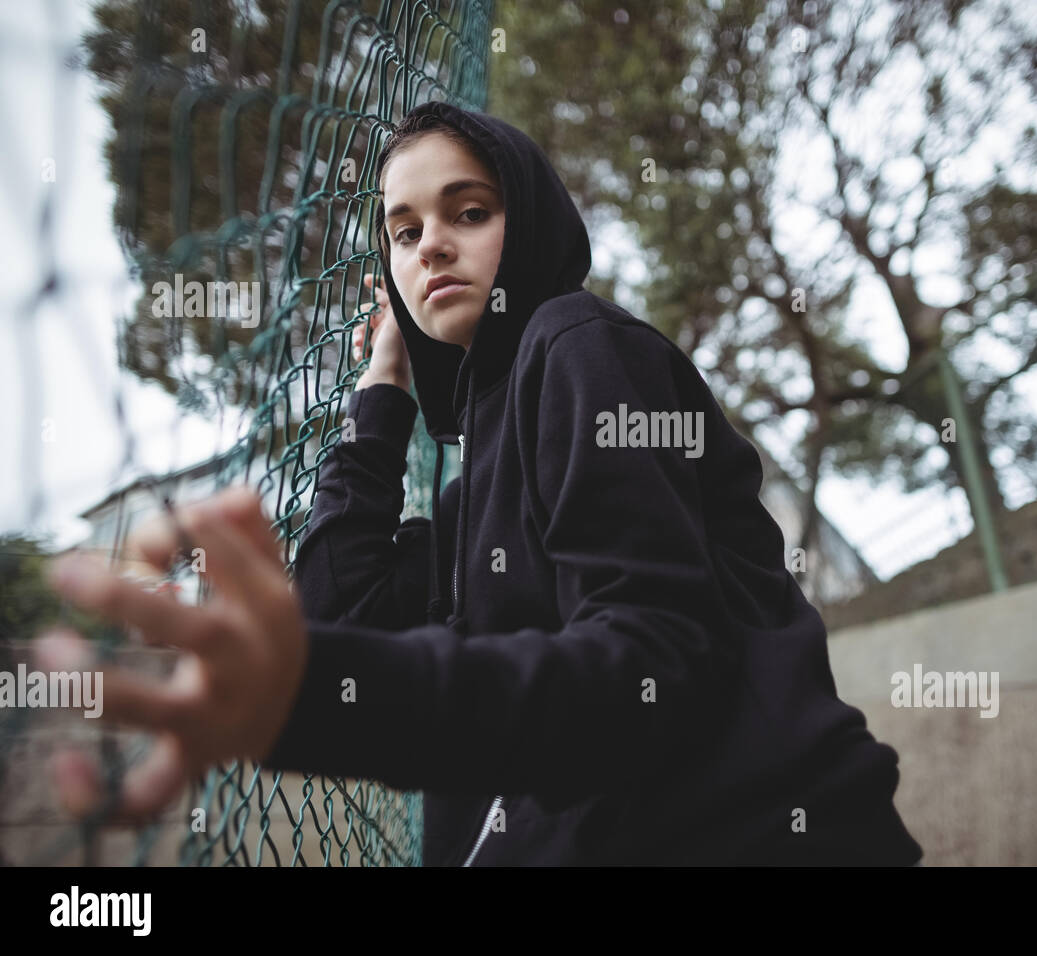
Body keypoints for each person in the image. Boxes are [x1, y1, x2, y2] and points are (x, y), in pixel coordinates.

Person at [38, 100, 923, 867]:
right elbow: (332, 625)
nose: (432, 249)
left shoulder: (579, 344)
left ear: (528, 216)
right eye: (404, 232)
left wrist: (315, 698)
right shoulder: (472, 486)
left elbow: (654, 666)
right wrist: (382, 390)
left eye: (469, 211)